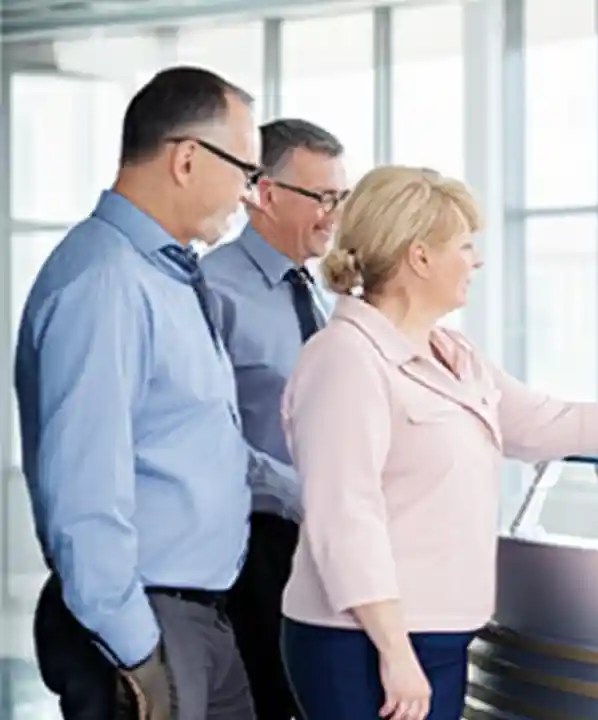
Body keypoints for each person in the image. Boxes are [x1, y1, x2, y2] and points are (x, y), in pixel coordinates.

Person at [278, 166, 598, 720]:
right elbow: (344, 515)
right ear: (419, 257)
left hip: (438, 636)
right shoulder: (346, 358)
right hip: (363, 641)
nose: (477, 260)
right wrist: (394, 650)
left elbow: (546, 423)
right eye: (465, 245)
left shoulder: (454, 353)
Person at [14, 66, 296, 720]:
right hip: (144, 624)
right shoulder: (105, 281)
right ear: (188, 159)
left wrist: (318, 500)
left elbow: (201, 449)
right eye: (247, 173)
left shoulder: (166, 278)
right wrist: (139, 654)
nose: (250, 196)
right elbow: (83, 495)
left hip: (202, 618)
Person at [201, 117, 348, 720]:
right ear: (264, 193)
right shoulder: (212, 291)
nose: (334, 215)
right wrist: (302, 493)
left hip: (323, 539)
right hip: (254, 547)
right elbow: (204, 438)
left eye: (342, 197)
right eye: (323, 198)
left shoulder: (320, 293)